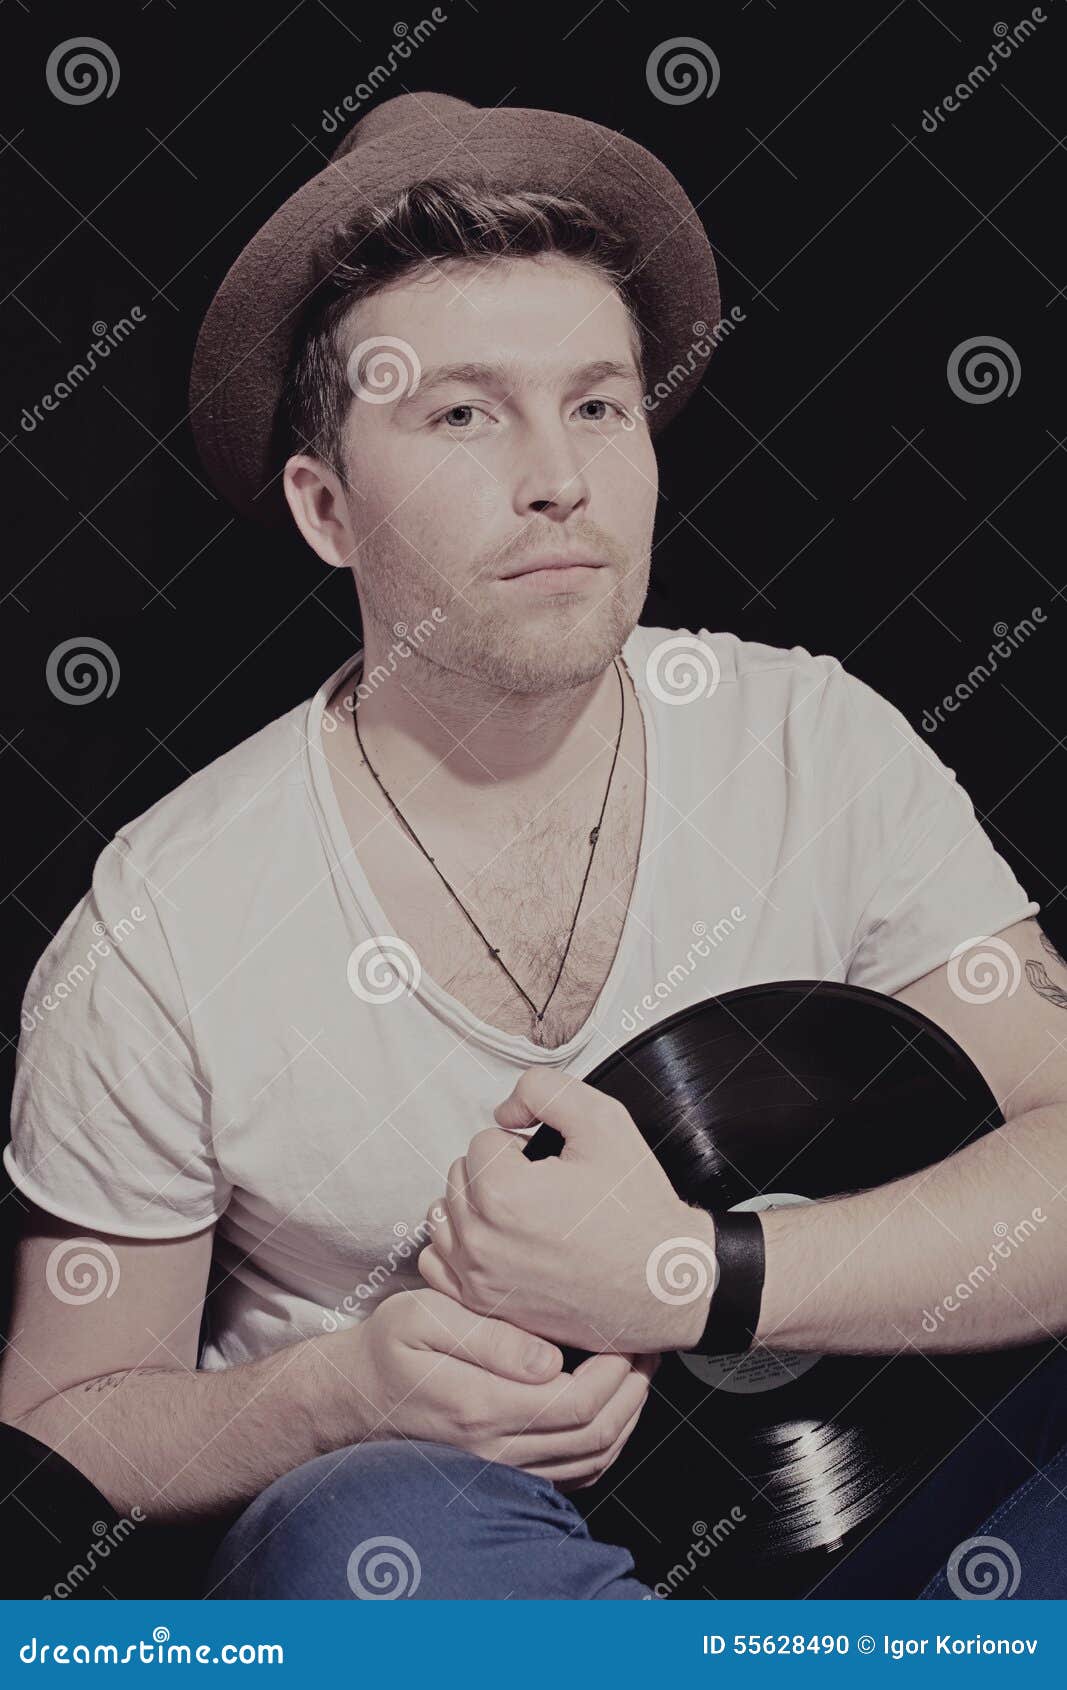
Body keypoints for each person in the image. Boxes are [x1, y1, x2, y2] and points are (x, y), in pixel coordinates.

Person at [1, 93, 1064, 1601]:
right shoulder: (162, 929)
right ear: (326, 508)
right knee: (367, 1543)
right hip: (471, 1557)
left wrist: (697, 1276)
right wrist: (340, 1393)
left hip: (894, 1500)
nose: (558, 475)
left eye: (599, 405)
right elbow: (57, 1423)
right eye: (461, 413)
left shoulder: (813, 742)